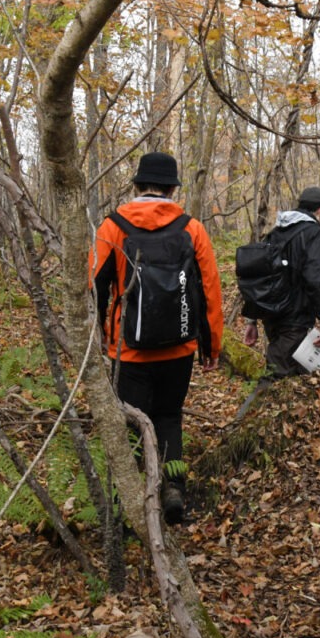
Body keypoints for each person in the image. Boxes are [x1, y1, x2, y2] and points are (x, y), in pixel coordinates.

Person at [91, 152, 223, 524]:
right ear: (171, 188)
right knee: (169, 415)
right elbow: (210, 290)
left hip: (128, 351)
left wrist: (100, 336)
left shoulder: (113, 226)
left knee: (131, 423)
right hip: (179, 347)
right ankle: (174, 489)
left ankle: (132, 507)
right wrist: (211, 346)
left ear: (137, 186)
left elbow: (96, 286)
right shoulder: (191, 228)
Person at [243, 186, 320, 377]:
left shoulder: (276, 231)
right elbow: (315, 279)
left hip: (271, 315)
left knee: (295, 373)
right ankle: (262, 403)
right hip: (295, 317)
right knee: (279, 375)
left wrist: (252, 319)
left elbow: (259, 276)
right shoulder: (314, 233)